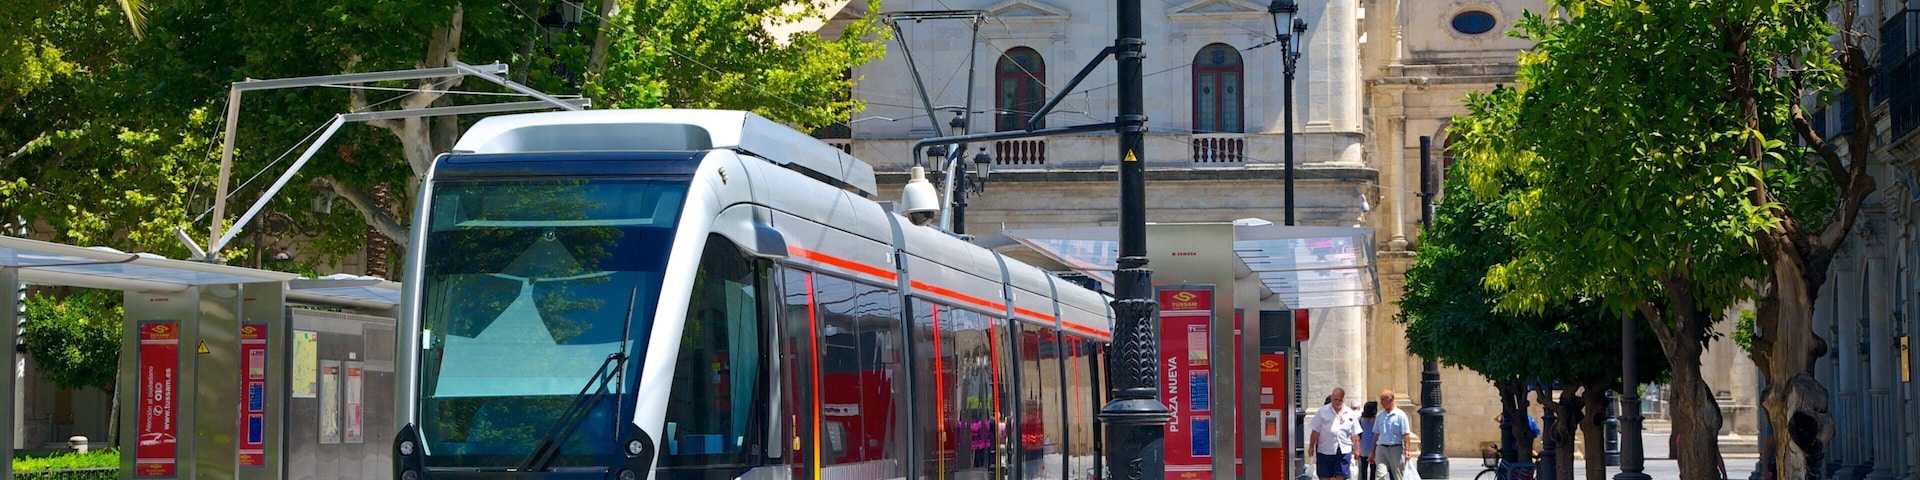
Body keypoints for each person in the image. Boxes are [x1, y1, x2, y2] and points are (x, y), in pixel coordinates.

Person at [1309, 387, 1362, 480]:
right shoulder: (1322, 411)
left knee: (1341, 477)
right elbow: (1315, 432)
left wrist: (1357, 449)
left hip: (1343, 450)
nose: (1337, 402)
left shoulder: (1350, 413)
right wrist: (1311, 447)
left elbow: (1355, 434)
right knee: (1324, 477)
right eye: (1335, 399)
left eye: (1340, 400)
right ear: (1332, 398)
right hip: (1325, 450)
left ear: (1343, 399)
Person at [1371, 390, 1414, 480]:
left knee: (1398, 476)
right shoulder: (1380, 416)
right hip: (1381, 448)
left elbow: (1406, 434)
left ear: (1390, 400)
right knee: (1380, 475)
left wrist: (1407, 450)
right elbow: (1376, 434)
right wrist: (1373, 452)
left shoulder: (1400, 415)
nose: (1381, 402)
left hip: (1396, 449)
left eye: (1383, 399)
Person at [1357, 401, 1380, 480]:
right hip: (1374, 448)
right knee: (1374, 469)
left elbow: (1358, 435)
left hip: (1363, 447)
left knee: (1363, 469)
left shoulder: (1361, 420)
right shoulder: (1377, 420)